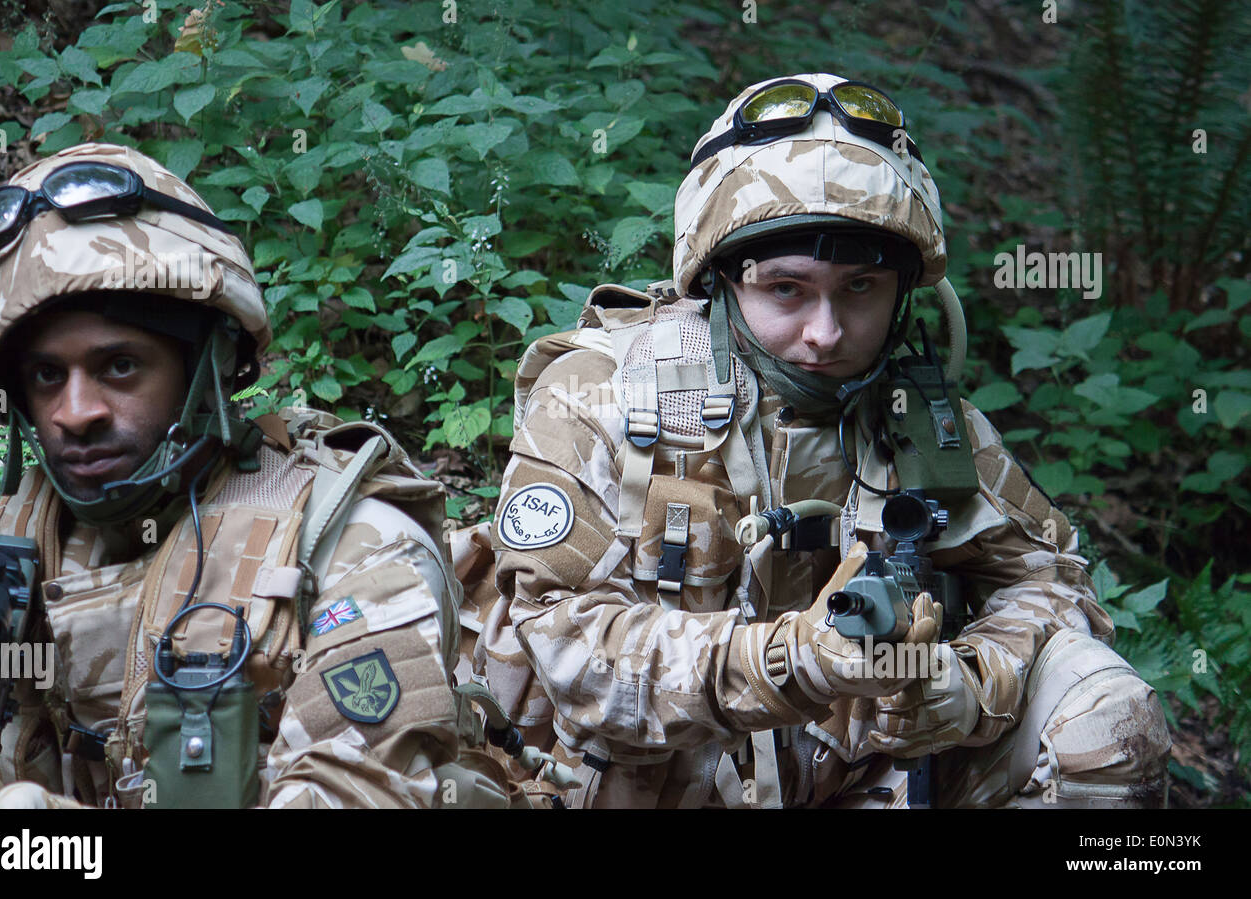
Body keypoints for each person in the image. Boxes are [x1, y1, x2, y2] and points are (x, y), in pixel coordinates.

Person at [467, 73, 1172, 808]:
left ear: (903, 292)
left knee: (1109, 720)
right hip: (633, 787)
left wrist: (969, 683)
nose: (826, 333)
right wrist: (795, 659)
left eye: (861, 288)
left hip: (847, 777)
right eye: (786, 289)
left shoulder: (916, 417)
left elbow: (1052, 580)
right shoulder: (602, 393)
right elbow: (564, 648)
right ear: (719, 280)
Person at [0, 142, 512, 808]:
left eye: (120, 366)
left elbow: (356, 793)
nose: (76, 412)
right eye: (47, 376)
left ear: (206, 367)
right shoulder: (1, 550)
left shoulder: (348, 545)